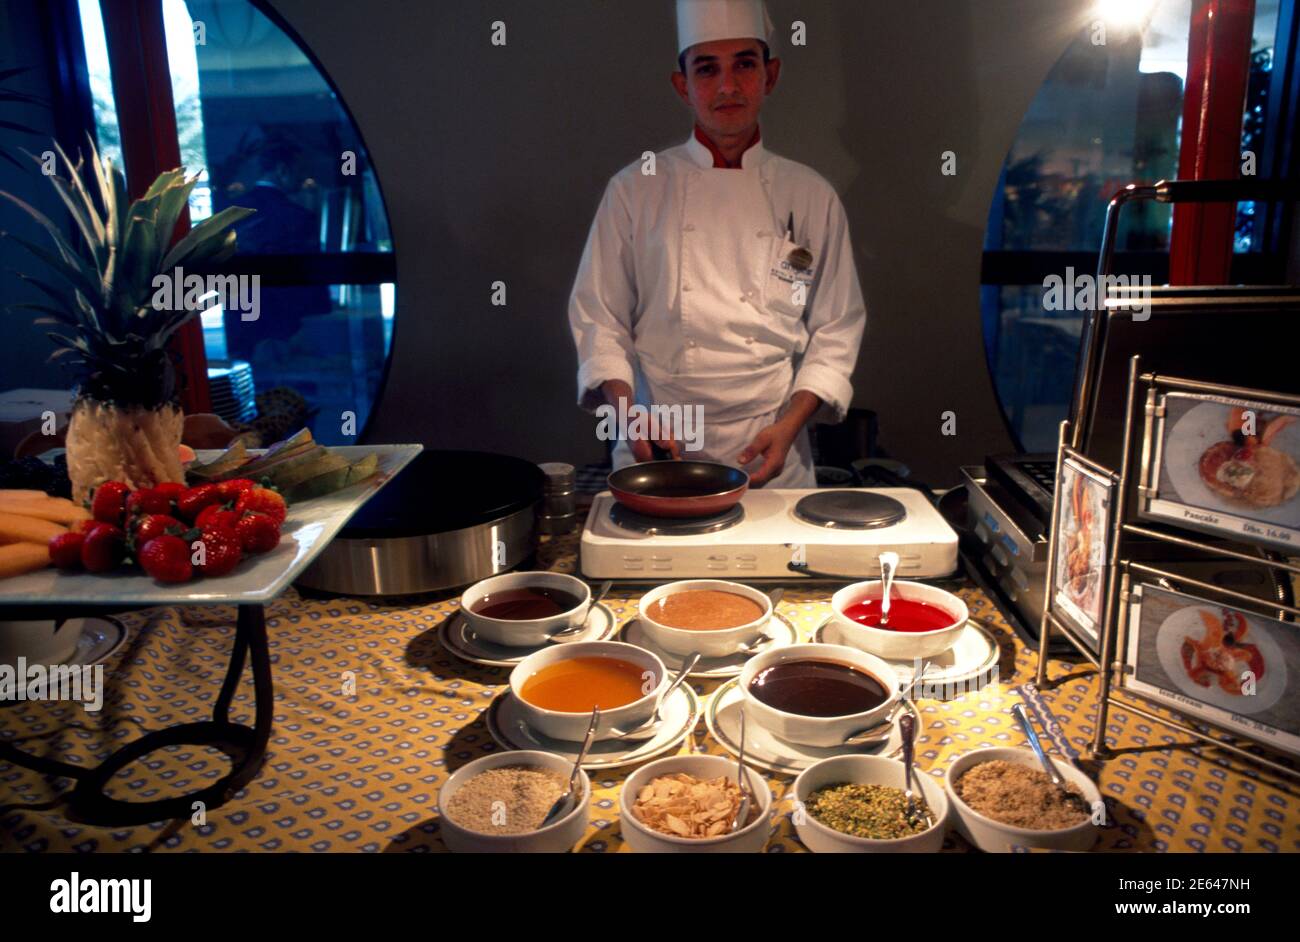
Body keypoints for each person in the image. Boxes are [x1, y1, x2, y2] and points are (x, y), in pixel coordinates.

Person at [568, 0, 866, 487]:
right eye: (707, 69)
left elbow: (838, 328)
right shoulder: (635, 189)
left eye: (744, 64)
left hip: (773, 453)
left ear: (770, 75)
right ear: (682, 85)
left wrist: (789, 427)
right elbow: (599, 318)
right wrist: (629, 416)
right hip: (660, 450)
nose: (727, 86)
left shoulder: (810, 194)